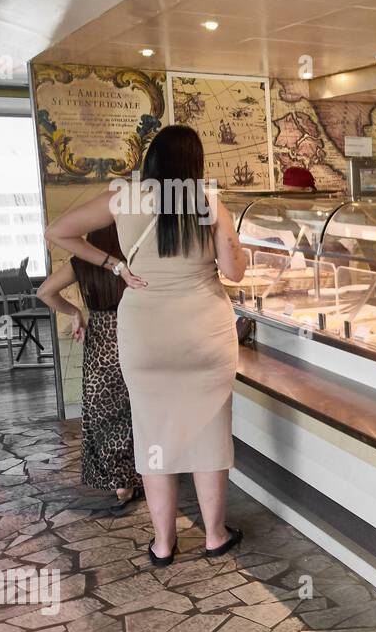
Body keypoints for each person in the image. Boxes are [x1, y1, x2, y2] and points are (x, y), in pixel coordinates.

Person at [46, 125, 250, 566]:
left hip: (145, 335)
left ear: (151, 159)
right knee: (209, 430)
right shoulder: (209, 203)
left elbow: (58, 231)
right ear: (194, 163)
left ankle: (162, 543)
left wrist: (115, 265)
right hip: (204, 335)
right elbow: (235, 272)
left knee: (153, 434)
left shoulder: (125, 197)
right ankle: (214, 535)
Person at [35, 223, 142, 507]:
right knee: (136, 411)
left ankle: (120, 483)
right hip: (135, 336)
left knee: (103, 414)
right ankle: (141, 474)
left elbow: (45, 292)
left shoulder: (80, 261)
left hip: (100, 344)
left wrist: (75, 312)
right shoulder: (132, 260)